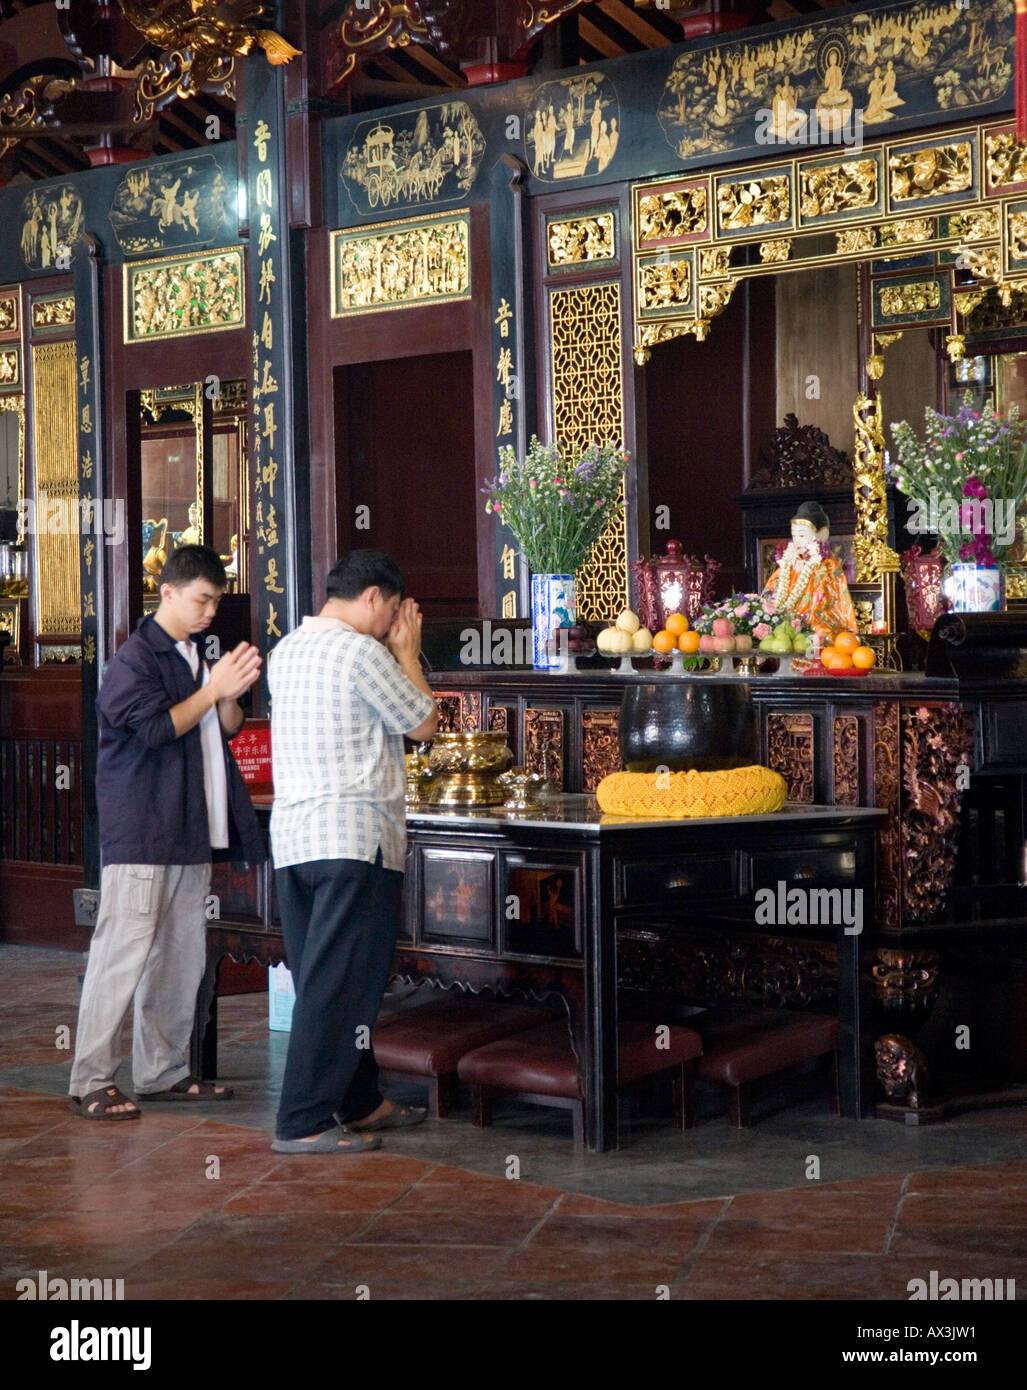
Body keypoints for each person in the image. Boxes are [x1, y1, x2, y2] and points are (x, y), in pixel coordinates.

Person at [68, 545, 265, 1119]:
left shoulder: (193, 654)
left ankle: (163, 1070)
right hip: (143, 829)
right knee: (122, 952)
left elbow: (222, 727)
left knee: (179, 957)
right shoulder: (134, 659)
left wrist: (228, 692)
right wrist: (210, 689)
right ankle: (90, 1079)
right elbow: (156, 731)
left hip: (190, 824)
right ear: (170, 592)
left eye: (216, 602)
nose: (210, 612)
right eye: (202, 600)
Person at [268, 549, 438, 1155]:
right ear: (372, 599)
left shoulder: (286, 650)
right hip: (352, 842)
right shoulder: (362, 651)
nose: (394, 622)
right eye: (393, 610)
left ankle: (359, 1100)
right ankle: (301, 1122)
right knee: (338, 988)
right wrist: (409, 655)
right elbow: (422, 723)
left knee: (331, 979)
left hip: (294, 843)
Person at [762, 500, 858, 635]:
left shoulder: (827, 565)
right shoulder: (788, 563)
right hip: (782, 630)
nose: (797, 540)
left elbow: (826, 601)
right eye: (794, 535)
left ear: (821, 534)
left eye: (802, 535)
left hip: (810, 630)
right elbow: (771, 593)